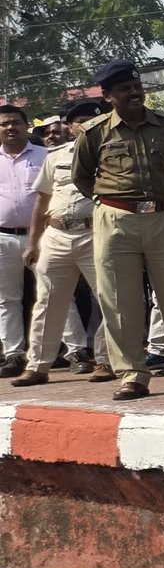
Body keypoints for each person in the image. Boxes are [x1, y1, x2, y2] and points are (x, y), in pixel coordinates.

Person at [71, 60, 164, 399]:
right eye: (124, 89)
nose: (134, 93)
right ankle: (132, 374)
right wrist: (117, 203)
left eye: (136, 87)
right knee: (119, 300)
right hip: (115, 221)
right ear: (108, 96)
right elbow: (82, 177)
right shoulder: (94, 132)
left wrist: (162, 199)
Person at [12, 100, 110, 387]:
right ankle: (38, 366)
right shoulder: (55, 156)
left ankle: (105, 360)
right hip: (56, 234)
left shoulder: (113, 154)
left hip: (96, 234)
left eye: (91, 120)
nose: (83, 126)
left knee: (111, 300)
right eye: (77, 121)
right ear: (69, 126)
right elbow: (42, 201)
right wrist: (33, 242)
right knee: (47, 301)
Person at [0, 103, 48, 376]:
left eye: (15, 122)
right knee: (7, 300)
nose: (10, 127)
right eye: (4, 123)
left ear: (26, 126)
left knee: (53, 293)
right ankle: (14, 354)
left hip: (43, 237)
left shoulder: (45, 156)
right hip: (4, 237)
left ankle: (75, 350)